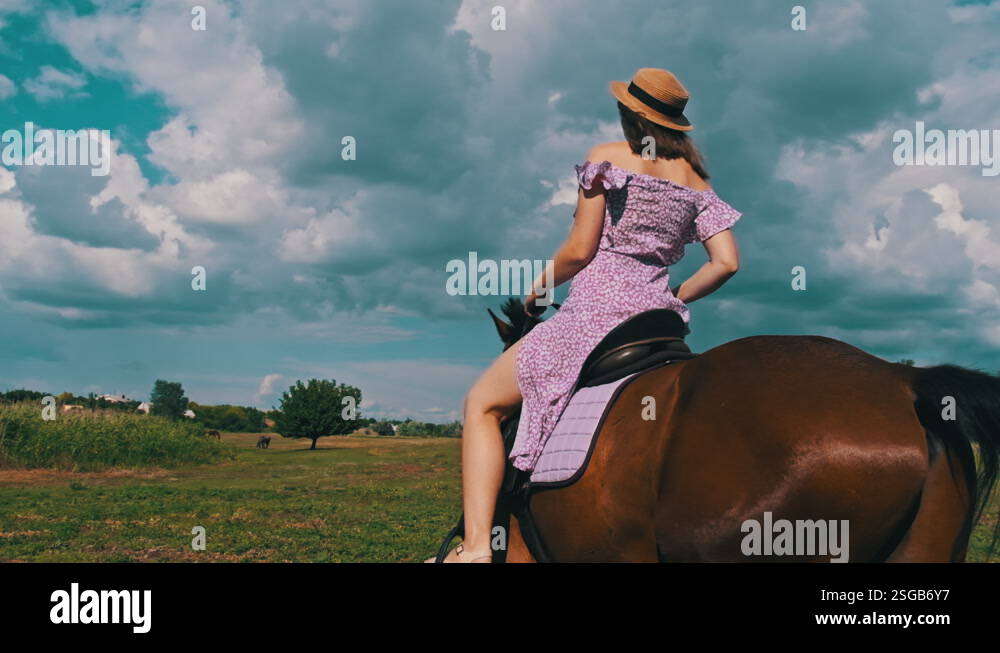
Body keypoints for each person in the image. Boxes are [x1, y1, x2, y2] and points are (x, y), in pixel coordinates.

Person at [430, 68, 742, 562]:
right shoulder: (698, 182)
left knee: (482, 406)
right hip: (659, 324)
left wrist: (537, 290)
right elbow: (726, 263)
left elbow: (578, 251)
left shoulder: (608, 158)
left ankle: (473, 549)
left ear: (630, 115)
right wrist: (675, 295)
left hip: (595, 316)